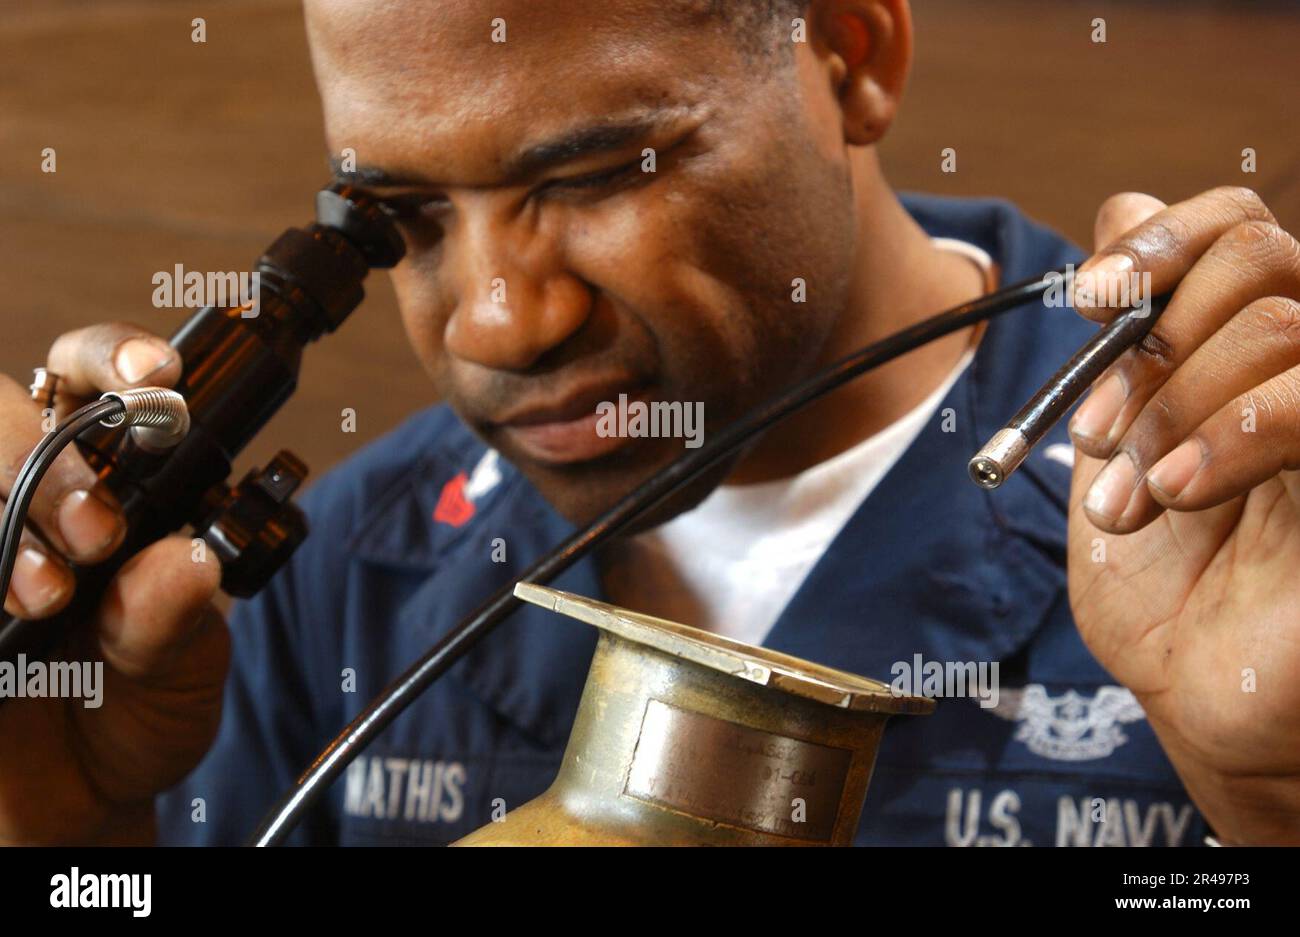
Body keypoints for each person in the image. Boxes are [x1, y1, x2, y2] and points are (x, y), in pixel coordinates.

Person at [2, 0, 1298, 847]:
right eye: (407, 219)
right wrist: (65, 839)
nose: (500, 324)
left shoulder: (1236, 541)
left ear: (852, 54)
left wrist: (1268, 799)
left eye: (599, 174)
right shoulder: (335, 584)